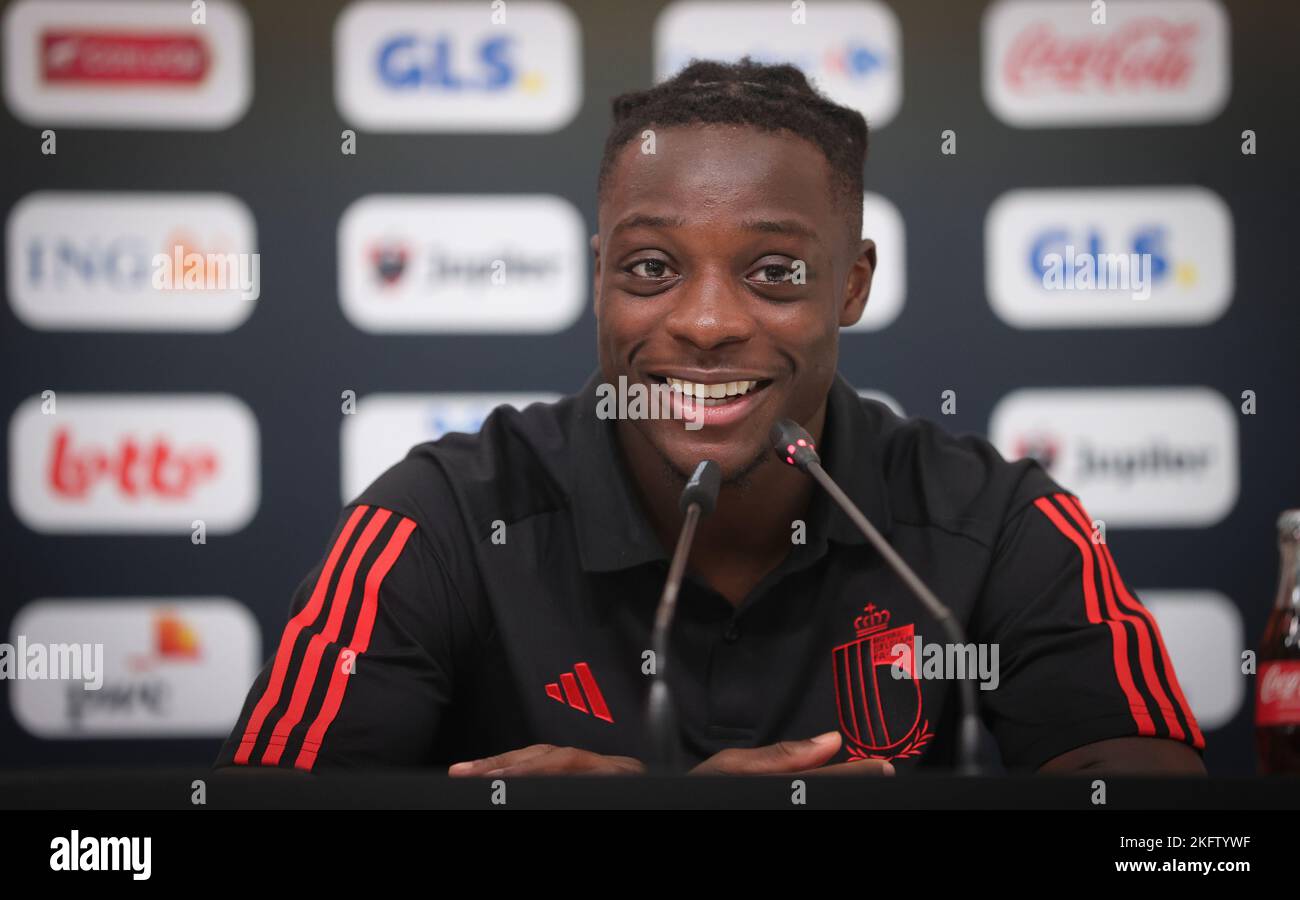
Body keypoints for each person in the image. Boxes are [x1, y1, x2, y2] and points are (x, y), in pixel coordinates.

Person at [214, 58, 1205, 777]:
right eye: (651, 268)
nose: (705, 323)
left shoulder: (992, 522)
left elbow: (1174, 850)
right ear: (599, 276)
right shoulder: (438, 519)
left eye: (773, 272)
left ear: (850, 285)